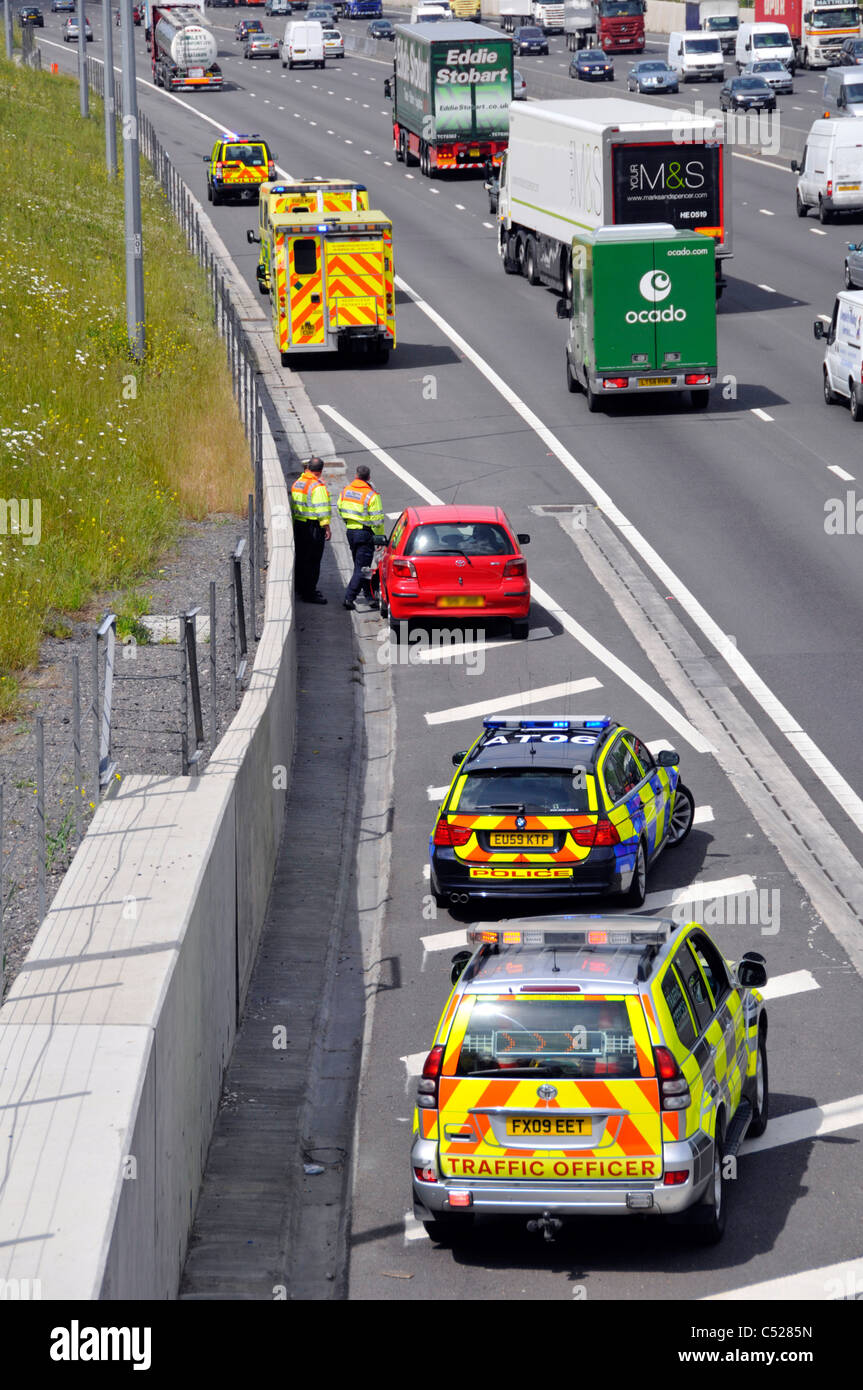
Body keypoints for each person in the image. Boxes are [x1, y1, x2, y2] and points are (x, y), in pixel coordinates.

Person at [337, 464, 385, 611]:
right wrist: (379, 538)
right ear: (369, 478)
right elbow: (377, 520)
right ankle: (349, 597)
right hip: (365, 534)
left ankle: (370, 597)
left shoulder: (346, 490)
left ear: (356, 476)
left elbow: (340, 507)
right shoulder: (372, 495)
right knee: (362, 568)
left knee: (361, 567)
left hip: (351, 532)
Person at [290, 457, 331, 604]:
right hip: (313, 527)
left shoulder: (298, 483)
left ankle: (301, 588)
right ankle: (310, 593)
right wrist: (326, 526)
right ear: (320, 472)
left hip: (299, 525)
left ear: (307, 468)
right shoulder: (317, 486)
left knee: (301, 558)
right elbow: (321, 510)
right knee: (313, 561)